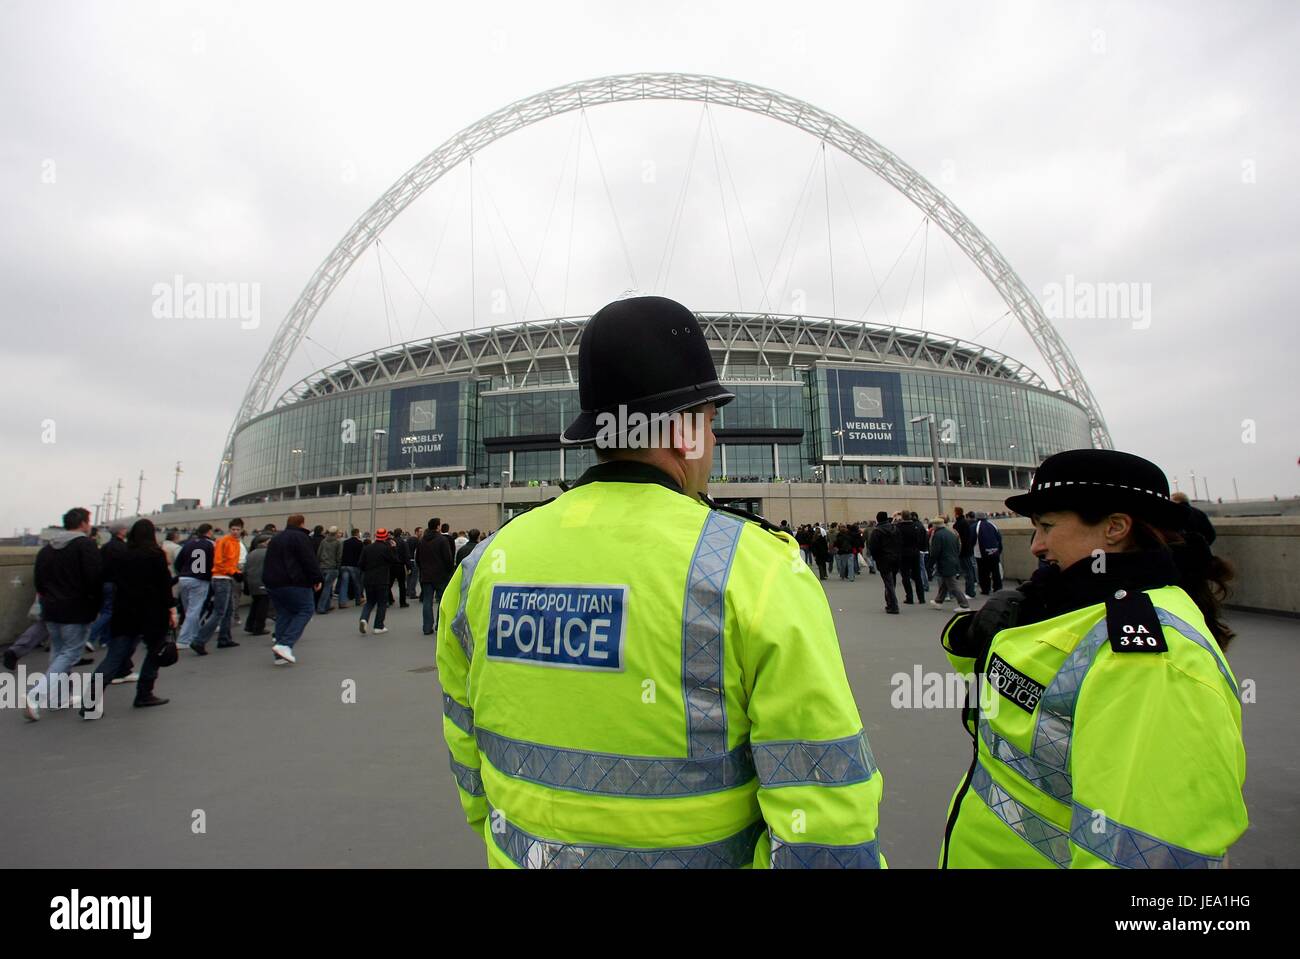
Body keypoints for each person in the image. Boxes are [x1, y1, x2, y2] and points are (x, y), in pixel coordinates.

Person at [436, 295, 882, 869]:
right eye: (712, 423)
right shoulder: (753, 568)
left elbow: (466, 743)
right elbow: (824, 803)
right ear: (683, 434)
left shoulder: (484, 567)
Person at [938, 450, 1247, 868]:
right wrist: (973, 637)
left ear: (1116, 528)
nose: (1036, 546)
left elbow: (1141, 854)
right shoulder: (1073, 603)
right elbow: (1023, 703)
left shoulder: (1148, 659)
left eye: (1047, 527)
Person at [81, 518, 175, 716]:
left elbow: (105, 578)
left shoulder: (122, 555)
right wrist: (171, 610)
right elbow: (164, 586)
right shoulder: (155, 555)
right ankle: (144, 693)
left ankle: (89, 701)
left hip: (125, 612)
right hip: (152, 613)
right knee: (154, 652)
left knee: (114, 657)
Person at [27, 507, 102, 720]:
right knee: (71, 653)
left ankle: (58, 697)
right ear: (83, 524)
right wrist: (95, 606)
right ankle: (36, 695)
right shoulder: (85, 546)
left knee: (59, 652)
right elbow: (94, 578)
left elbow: (39, 581)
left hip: (51, 608)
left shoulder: (47, 549)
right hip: (76, 609)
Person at [262, 514, 322, 665]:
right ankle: (285, 644)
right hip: (294, 581)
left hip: (273, 582)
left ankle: (279, 653)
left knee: (284, 613)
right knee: (306, 610)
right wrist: (317, 578)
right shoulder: (301, 538)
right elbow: (308, 560)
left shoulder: (276, 538)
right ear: (302, 524)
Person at [87, 521, 129, 651]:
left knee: (106, 610)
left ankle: (105, 639)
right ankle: (90, 637)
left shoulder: (105, 547)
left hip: (104, 582)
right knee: (109, 611)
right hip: (115, 583)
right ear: (120, 532)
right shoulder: (122, 547)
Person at [174, 524, 216, 654]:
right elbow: (214, 562)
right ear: (209, 532)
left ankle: (194, 634)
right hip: (200, 579)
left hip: (184, 578)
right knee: (194, 610)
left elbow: (178, 562)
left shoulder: (188, 544)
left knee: (189, 610)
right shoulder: (211, 544)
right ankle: (184, 639)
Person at [208, 519, 244, 650]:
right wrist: (234, 572)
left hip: (225, 577)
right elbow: (219, 562)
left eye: (237, 529)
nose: (235, 532)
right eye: (233, 529)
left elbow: (229, 563)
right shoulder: (224, 541)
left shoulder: (235, 543)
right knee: (219, 612)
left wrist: (235, 572)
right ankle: (199, 640)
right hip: (221, 577)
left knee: (227, 611)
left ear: (241, 530)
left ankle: (224, 638)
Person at [417, 524, 454, 636]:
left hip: (426, 575)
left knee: (427, 601)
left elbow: (417, 558)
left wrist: (422, 569)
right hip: (440, 575)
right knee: (442, 600)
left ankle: (427, 627)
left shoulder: (422, 541)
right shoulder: (442, 540)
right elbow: (448, 558)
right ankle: (440, 624)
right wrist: (449, 571)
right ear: (438, 527)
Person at [927, 517, 970, 610]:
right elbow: (958, 546)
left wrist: (930, 565)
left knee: (952, 585)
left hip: (945, 562)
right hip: (953, 560)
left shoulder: (937, 535)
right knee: (945, 584)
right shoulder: (951, 533)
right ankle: (938, 601)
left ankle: (964, 604)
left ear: (935, 525)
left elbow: (935, 552)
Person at [359, 529, 397, 634]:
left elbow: (361, 564)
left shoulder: (367, 548)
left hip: (368, 579)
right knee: (381, 603)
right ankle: (378, 626)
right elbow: (394, 560)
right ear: (385, 537)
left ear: (376, 536)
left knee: (370, 602)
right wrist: (394, 548)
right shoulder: (386, 548)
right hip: (382, 579)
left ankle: (364, 618)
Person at [868, 511, 901, 614]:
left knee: (888, 583)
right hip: (895, 558)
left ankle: (893, 605)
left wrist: (876, 558)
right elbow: (900, 542)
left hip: (884, 559)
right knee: (891, 582)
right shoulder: (895, 529)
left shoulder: (877, 531)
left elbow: (873, 547)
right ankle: (890, 603)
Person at [243, 534, 271, 636]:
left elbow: (245, 570)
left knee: (255, 604)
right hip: (262, 581)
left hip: (252, 582)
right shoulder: (267, 553)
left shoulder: (251, 553)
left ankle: (250, 625)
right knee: (263, 606)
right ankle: (259, 627)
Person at [973, 511, 1004, 594]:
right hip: (994, 552)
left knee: (983, 572)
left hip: (980, 553)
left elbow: (972, 539)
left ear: (976, 517)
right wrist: (999, 550)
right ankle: (997, 587)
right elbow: (999, 539)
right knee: (995, 571)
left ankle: (986, 589)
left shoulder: (975, 526)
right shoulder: (992, 525)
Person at [316, 525, 342, 613]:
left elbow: (319, 553)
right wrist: (338, 566)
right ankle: (321, 607)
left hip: (322, 566)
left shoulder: (323, 541)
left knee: (326, 587)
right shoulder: (338, 542)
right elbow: (339, 556)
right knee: (327, 588)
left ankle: (326, 605)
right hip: (332, 567)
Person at [953, 506, 978, 599]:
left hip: (963, 551)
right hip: (966, 550)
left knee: (968, 571)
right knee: (969, 570)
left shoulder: (960, 523)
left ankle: (970, 592)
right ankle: (970, 591)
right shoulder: (965, 522)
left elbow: (960, 539)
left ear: (957, 513)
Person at [339, 528, 363, 609]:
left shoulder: (345, 542)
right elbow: (361, 555)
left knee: (344, 584)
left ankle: (342, 602)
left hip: (344, 564)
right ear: (357, 534)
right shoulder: (359, 543)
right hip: (354, 565)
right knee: (356, 584)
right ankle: (358, 600)